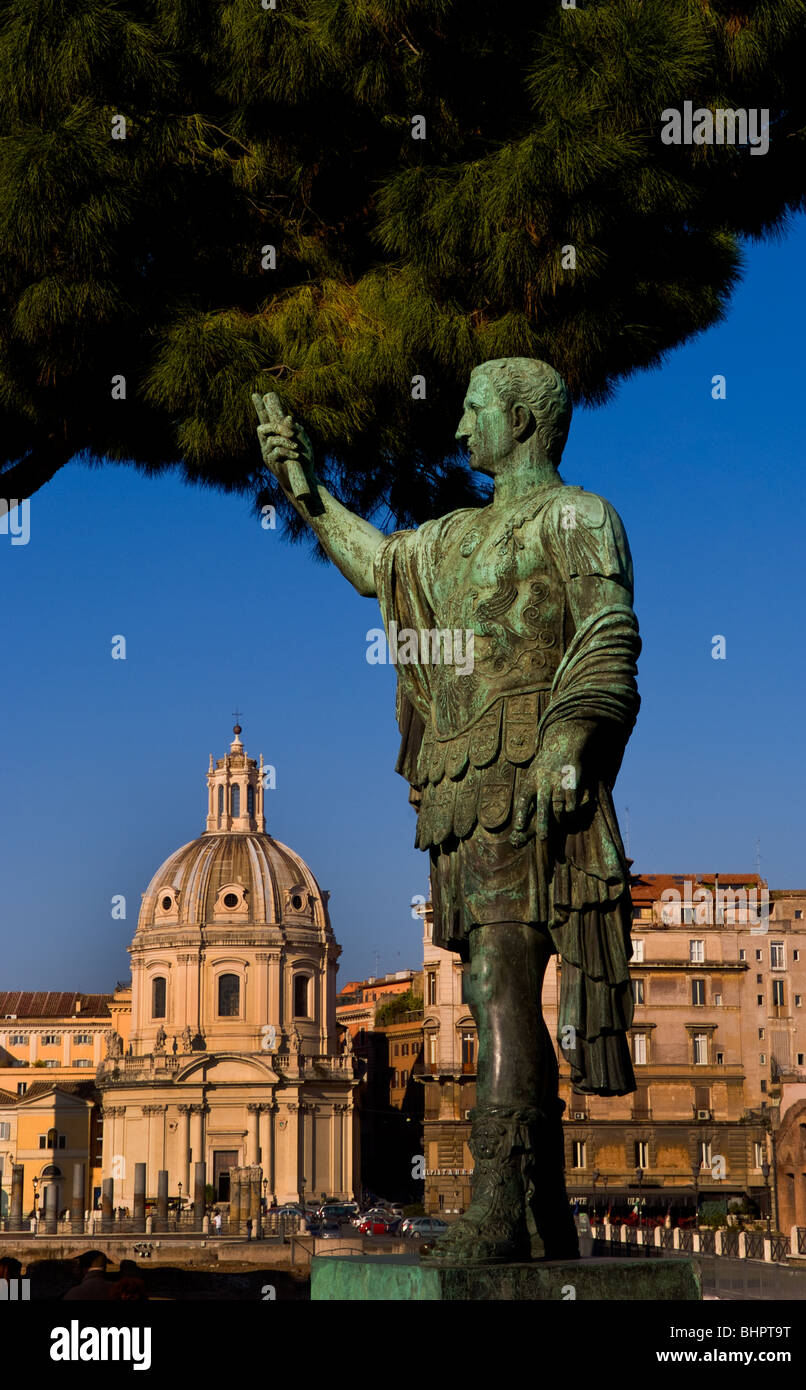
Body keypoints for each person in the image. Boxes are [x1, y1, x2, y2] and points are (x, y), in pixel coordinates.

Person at [257, 357, 641, 1264]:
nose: (459, 428)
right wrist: (305, 489)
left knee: (492, 986)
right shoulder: (451, 538)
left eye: (473, 411)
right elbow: (376, 568)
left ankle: (501, 1196)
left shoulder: (578, 517)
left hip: (534, 772)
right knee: (493, 987)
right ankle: (544, 1212)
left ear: (526, 422)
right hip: (465, 781)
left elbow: (607, 629)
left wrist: (568, 740)